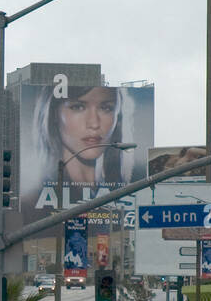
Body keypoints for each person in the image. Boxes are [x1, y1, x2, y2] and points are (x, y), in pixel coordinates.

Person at [24, 85, 132, 215]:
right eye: (78, 107)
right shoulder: (31, 202)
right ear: (54, 114)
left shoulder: (126, 195)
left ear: (117, 117)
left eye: (106, 108)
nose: (94, 123)